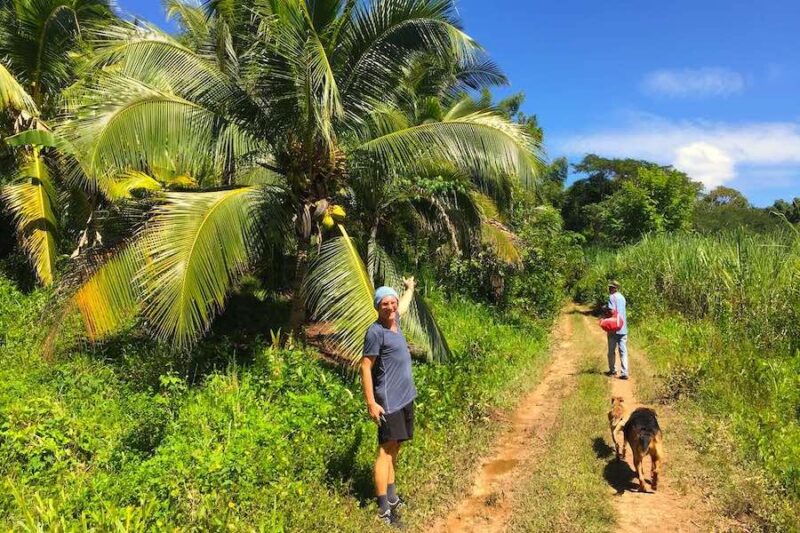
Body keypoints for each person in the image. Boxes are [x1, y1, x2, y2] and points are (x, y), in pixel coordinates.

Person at [360, 277, 417, 526]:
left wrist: (410, 289)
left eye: (392, 302)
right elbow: (365, 366)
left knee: (395, 448)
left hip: (405, 397)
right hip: (389, 400)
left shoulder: (396, 321)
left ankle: (392, 497)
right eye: (385, 304)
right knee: (385, 451)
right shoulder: (376, 332)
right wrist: (371, 402)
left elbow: (403, 305)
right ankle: (384, 509)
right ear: (377, 306)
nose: (391, 307)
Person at [606, 280, 629, 379]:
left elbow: (611, 311)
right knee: (623, 351)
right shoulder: (622, 298)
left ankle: (612, 370)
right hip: (623, 328)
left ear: (614, 288)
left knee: (611, 351)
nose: (609, 289)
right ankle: (624, 372)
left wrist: (605, 311)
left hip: (613, 328)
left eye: (611, 287)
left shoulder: (612, 297)